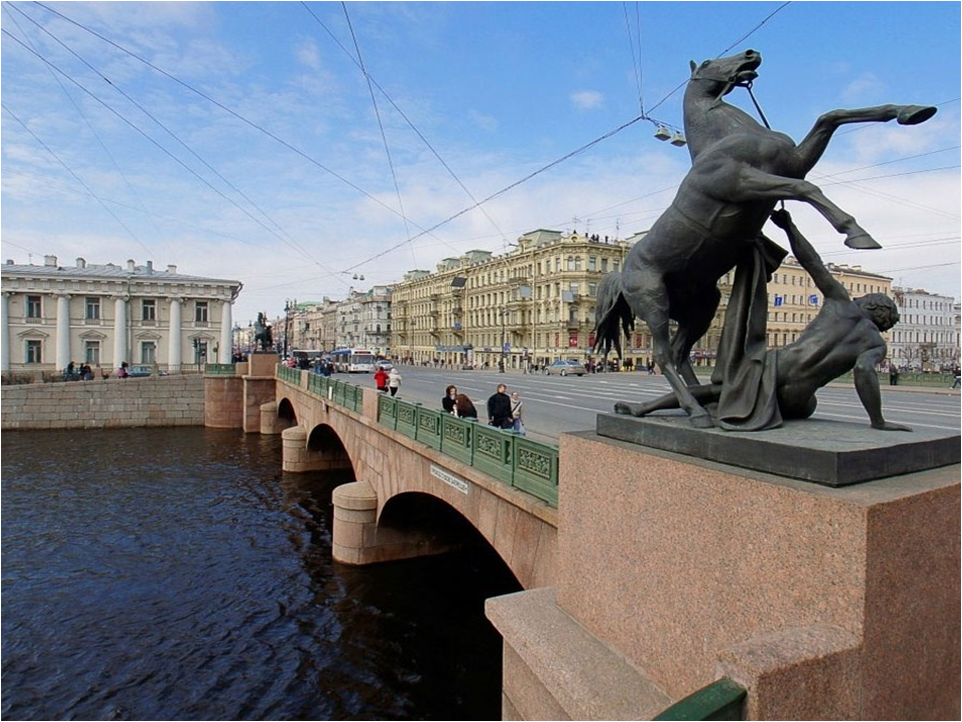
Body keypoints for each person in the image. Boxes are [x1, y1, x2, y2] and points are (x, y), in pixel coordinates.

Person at [617, 210, 911, 432]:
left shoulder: (840, 304)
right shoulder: (874, 344)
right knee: (809, 406)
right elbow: (864, 373)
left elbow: (812, 262)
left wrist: (789, 227)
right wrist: (878, 420)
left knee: (716, 391)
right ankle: (669, 406)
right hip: (797, 399)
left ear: (869, 303)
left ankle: (646, 407)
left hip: (776, 368)